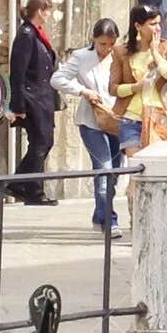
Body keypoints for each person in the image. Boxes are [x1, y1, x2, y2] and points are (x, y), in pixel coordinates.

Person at [52, 18, 123, 234]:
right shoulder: (82, 57)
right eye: (103, 44)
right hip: (91, 121)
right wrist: (83, 91)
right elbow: (57, 79)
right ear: (94, 39)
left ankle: (99, 213)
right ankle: (109, 220)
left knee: (115, 171)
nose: (107, 49)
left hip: (117, 119)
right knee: (104, 168)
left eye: (111, 44)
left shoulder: (120, 55)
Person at [5, 0, 59, 205]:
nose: (49, 15)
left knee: (44, 142)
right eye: (47, 11)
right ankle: (33, 190)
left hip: (43, 97)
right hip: (32, 97)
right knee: (40, 142)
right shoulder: (26, 35)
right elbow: (18, 72)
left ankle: (19, 183)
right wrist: (18, 105)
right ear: (40, 11)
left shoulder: (37, 35)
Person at [110, 4, 167, 163]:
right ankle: (132, 187)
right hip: (131, 119)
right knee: (137, 167)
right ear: (138, 26)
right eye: (152, 24)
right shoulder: (121, 51)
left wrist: (155, 53)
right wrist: (135, 87)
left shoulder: (165, 46)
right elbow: (113, 88)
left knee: (154, 168)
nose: (157, 28)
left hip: (159, 118)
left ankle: (134, 188)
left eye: (159, 23)